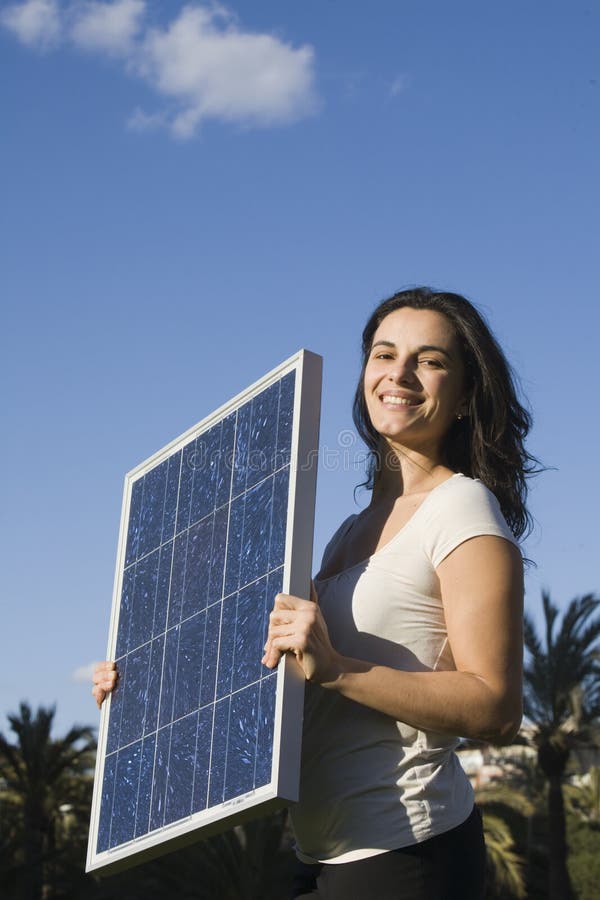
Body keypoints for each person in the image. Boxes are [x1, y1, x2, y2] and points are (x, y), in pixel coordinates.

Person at [93, 287, 534, 900]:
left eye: (430, 361)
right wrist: (145, 694)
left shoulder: (462, 508)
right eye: (384, 354)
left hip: (408, 852)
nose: (399, 374)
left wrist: (340, 670)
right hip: (320, 856)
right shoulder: (349, 531)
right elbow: (266, 675)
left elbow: (496, 706)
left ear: (463, 397)